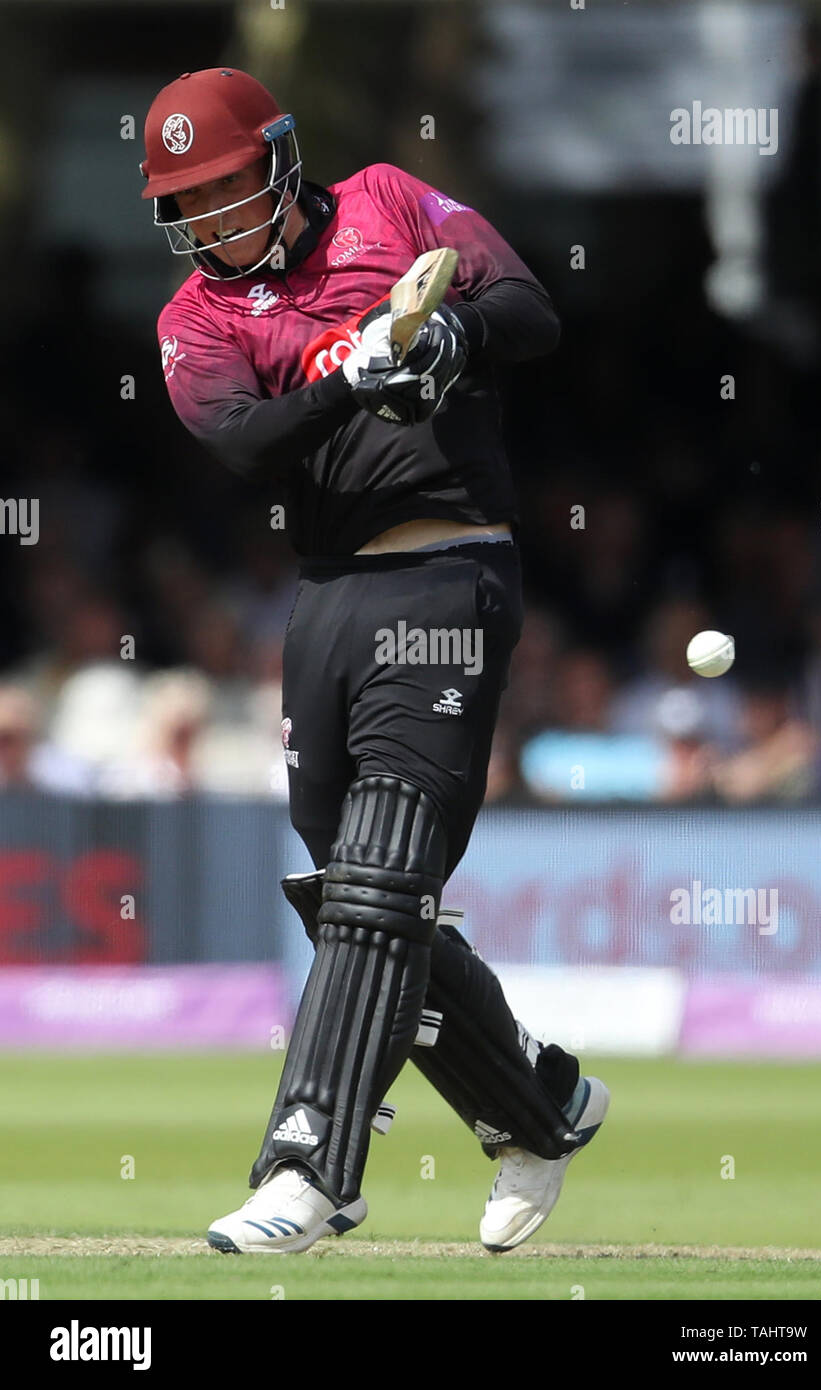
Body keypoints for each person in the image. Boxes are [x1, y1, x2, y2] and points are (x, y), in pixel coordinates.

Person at [141, 67, 609, 1255]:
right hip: (327, 597)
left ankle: (309, 1166)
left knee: (377, 873)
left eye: (231, 183)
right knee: (355, 893)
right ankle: (536, 1102)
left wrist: (446, 327)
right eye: (188, 201)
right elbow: (241, 441)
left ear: (282, 159)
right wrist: (349, 371)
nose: (215, 216)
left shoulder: (390, 202)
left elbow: (529, 311)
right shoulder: (195, 319)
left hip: (450, 572)